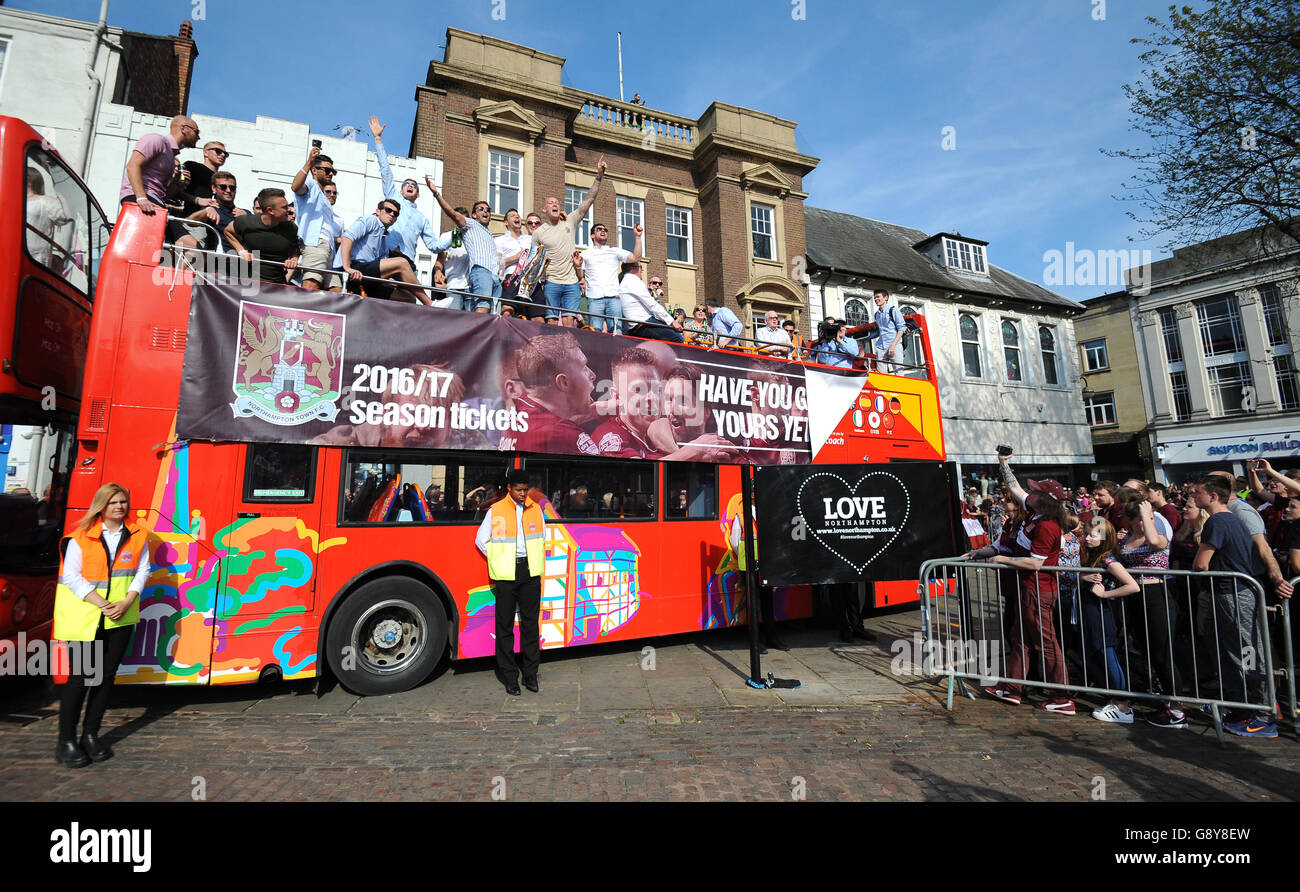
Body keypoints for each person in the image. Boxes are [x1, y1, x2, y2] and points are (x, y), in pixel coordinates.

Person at [53, 483, 152, 767]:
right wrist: (102, 603)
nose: (119, 507)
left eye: (123, 502)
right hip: (86, 620)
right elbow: (72, 577)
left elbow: (143, 570)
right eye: (113, 502)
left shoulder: (137, 536)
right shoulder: (78, 538)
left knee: (106, 677)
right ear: (101, 506)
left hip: (120, 618)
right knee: (80, 678)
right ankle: (67, 742)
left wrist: (127, 601)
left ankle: (91, 735)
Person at [981, 450, 1072, 714]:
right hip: (1028, 588)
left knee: (1046, 642)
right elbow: (1014, 486)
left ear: (1045, 501)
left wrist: (1003, 561)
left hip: (1039, 589)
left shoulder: (1047, 526)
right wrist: (1002, 462)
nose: (1029, 494)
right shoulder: (1033, 512)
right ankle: (1012, 688)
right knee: (1019, 637)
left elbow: (1035, 563)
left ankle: (1061, 696)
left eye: (1037, 492)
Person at [1192, 475, 1279, 738]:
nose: (1194, 497)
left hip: (1233, 593)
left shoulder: (1218, 521)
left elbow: (1200, 564)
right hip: (1233, 592)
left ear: (1213, 496)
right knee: (1238, 651)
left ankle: (1262, 712)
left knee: (1248, 651)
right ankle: (1244, 706)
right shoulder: (1229, 518)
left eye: (1198, 493)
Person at [474, 469, 544, 696]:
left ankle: (531, 676)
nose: (524, 494)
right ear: (509, 489)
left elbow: (543, 537)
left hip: (530, 572)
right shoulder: (495, 510)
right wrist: (497, 560)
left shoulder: (536, 509)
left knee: (531, 625)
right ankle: (510, 677)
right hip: (506, 574)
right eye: (519, 490)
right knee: (504, 627)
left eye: (526, 490)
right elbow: (481, 540)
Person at [369, 116, 450, 276]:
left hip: (407, 262)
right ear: (401, 190)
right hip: (386, 255)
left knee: (406, 299)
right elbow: (385, 171)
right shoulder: (393, 198)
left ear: (418, 194)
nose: (410, 186)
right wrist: (378, 139)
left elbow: (434, 245)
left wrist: (454, 237)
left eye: (414, 185)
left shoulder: (422, 219)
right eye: (407, 183)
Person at [530, 157, 606, 326]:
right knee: (550, 319)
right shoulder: (539, 233)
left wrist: (599, 176)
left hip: (571, 282)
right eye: (551, 203)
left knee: (569, 320)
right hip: (552, 281)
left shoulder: (570, 221)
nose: (555, 204)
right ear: (544, 209)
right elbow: (533, 261)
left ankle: (565, 351)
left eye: (557, 202)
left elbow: (589, 200)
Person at [1078, 517, 1141, 723]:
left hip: (1102, 612)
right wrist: (1083, 577)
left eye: (1092, 535)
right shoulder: (1092, 557)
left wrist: (1105, 595)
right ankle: (1114, 698)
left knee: (1107, 654)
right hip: (1088, 611)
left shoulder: (1108, 559)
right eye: (1086, 534)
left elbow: (1132, 585)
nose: (1087, 538)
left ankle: (1122, 705)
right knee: (1095, 653)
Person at [499, 332, 601, 456]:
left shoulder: (518, 411)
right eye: (584, 367)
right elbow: (608, 473)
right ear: (563, 382)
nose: (593, 376)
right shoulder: (564, 434)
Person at [427, 181, 501, 312]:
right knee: (458, 317)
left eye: (488, 210)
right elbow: (440, 257)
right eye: (481, 209)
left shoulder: (488, 234)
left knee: (487, 312)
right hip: (456, 284)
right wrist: (436, 194)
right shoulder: (468, 226)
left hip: (473, 283)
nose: (485, 211)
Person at [339, 200, 431, 305]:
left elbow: (382, 263)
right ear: (378, 211)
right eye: (388, 210)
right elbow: (346, 238)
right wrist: (347, 268)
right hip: (355, 269)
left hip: (368, 277)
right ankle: (430, 303)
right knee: (402, 262)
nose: (392, 214)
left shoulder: (384, 237)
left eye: (395, 213)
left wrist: (391, 278)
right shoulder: (371, 220)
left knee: (408, 298)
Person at [119, 115, 199, 217]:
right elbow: (132, 165)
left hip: (155, 201)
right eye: (196, 132)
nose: (198, 137)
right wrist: (141, 198)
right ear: (183, 129)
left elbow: (164, 194)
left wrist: (178, 185)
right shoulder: (156, 140)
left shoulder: (171, 155)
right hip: (139, 198)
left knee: (181, 233)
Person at [290, 145, 345, 292]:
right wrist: (309, 162)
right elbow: (295, 186)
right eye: (327, 170)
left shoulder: (325, 198)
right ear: (315, 170)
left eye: (333, 172)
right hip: (315, 243)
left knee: (335, 291)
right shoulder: (311, 184)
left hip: (328, 249)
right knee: (311, 287)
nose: (331, 174)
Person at [224, 188, 300, 283]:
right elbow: (228, 231)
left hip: (277, 284)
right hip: (248, 283)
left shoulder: (291, 228)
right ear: (270, 210)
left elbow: (296, 248)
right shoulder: (246, 222)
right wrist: (241, 251)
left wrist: (294, 258)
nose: (289, 210)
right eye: (284, 207)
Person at [582, 220, 641, 333]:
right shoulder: (585, 253)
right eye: (599, 229)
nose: (603, 231)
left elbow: (636, 258)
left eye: (605, 230)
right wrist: (578, 266)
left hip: (613, 297)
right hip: (594, 298)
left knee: (616, 331)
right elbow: (580, 275)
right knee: (595, 332)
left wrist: (638, 237)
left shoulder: (614, 251)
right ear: (592, 235)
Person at [619, 258, 683, 342]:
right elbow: (652, 305)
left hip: (633, 326)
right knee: (677, 338)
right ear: (633, 268)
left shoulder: (623, 283)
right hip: (643, 323)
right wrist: (672, 321)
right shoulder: (634, 282)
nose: (642, 270)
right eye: (641, 267)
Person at [25, 166, 73, 268]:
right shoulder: (13, 199)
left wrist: (61, 193)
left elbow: (67, 218)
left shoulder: (46, 202)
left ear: (30, 181)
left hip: (34, 261)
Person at [209, 171, 250, 253]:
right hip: (221, 258)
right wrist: (206, 211)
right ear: (214, 188)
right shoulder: (211, 209)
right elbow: (190, 221)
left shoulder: (245, 213)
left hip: (247, 259)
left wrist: (248, 218)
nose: (228, 190)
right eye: (223, 187)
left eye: (232, 188)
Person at [870, 288, 906, 370]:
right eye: (875, 298)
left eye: (878, 297)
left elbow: (901, 328)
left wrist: (893, 345)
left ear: (886, 298)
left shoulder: (893, 310)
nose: (876, 299)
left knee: (898, 371)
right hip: (881, 346)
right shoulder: (877, 315)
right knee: (881, 373)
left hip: (894, 344)